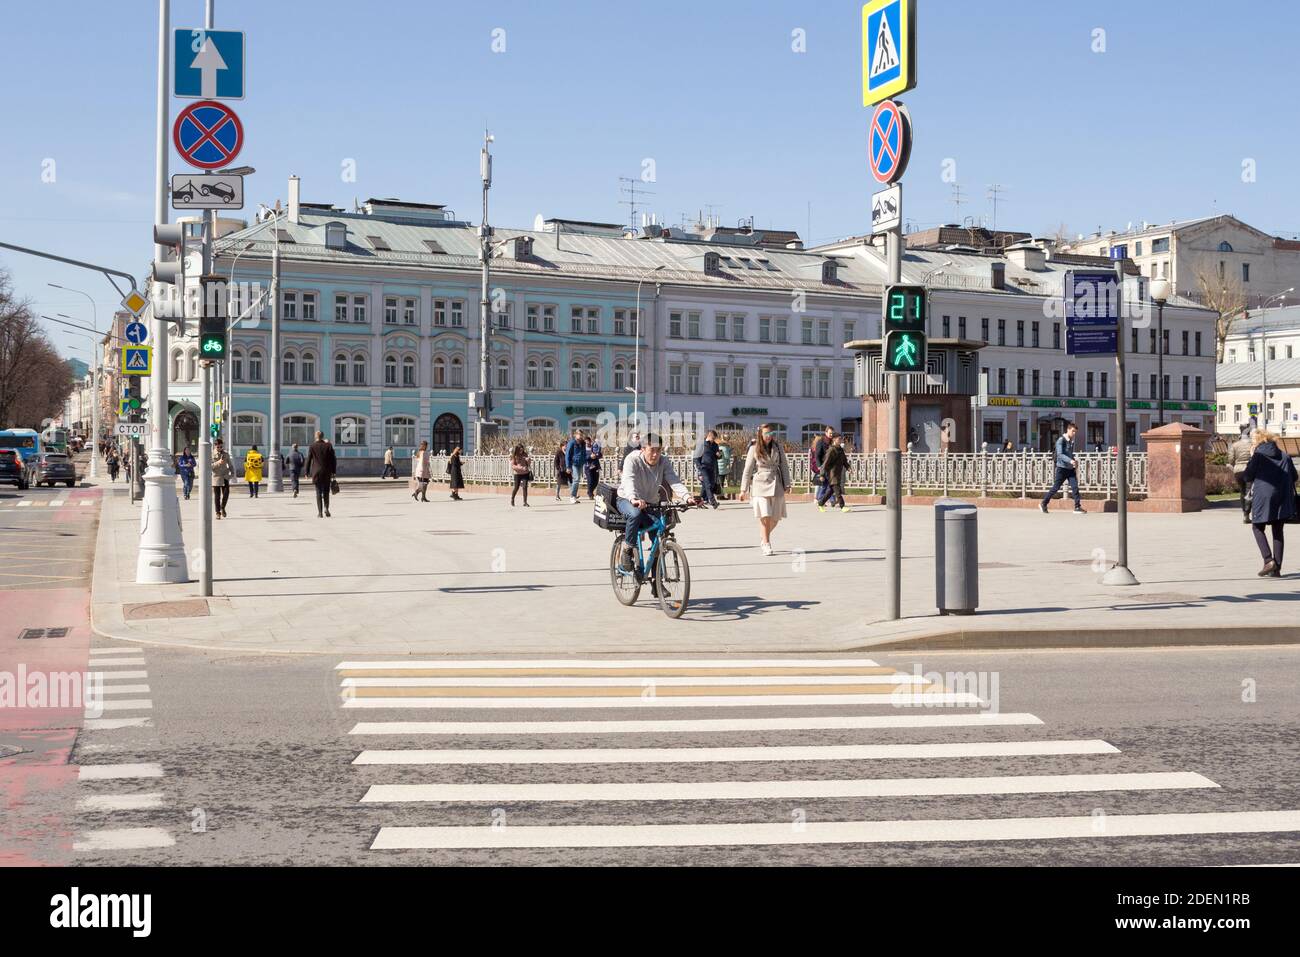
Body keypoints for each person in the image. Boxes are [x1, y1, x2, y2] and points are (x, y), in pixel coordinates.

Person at [615, 432, 692, 572]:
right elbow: (628, 481)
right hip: (626, 499)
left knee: (659, 537)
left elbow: (673, 479)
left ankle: (657, 583)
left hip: (650, 502)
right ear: (642, 449)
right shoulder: (632, 459)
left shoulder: (663, 461)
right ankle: (627, 550)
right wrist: (634, 498)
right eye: (652, 450)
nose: (655, 455)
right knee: (635, 514)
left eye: (658, 450)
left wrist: (687, 497)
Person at [1243, 430, 1298, 577]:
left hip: (1263, 497)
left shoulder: (1259, 456)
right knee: (1278, 530)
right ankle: (1277, 569)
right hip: (1283, 497)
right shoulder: (1285, 456)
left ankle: (1268, 560)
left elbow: (1247, 476)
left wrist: (1252, 457)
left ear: (1259, 442)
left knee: (1257, 527)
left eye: (1254, 441)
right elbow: (1294, 476)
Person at [740, 423, 792, 556]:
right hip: (760, 484)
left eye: (771, 434)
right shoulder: (754, 448)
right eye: (766, 434)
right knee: (765, 515)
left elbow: (784, 466)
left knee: (776, 517)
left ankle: (763, 537)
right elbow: (748, 470)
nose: (769, 436)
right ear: (761, 435)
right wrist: (743, 489)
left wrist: (787, 483)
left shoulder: (778, 447)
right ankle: (767, 544)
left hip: (776, 483)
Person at [1040, 422, 1085, 513]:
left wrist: (1074, 460)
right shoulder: (1061, 440)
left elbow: (1069, 454)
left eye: (1075, 432)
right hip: (1062, 468)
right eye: (1073, 431)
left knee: (1075, 487)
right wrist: (1070, 461)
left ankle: (1077, 507)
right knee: (1055, 488)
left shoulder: (1070, 441)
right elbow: (1060, 455)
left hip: (1070, 469)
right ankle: (1044, 503)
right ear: (1068, 430)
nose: (1074, 433)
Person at [306, 430, 336, 518]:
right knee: (326, 491)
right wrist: (334, 472)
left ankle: (320, 513)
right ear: (323, 436)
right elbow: (333, 460)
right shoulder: (328, 445)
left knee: (318, 492)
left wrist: (306, 472)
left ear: (316, 436)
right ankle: (326, 508)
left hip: (316, 472)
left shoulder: (312, 446)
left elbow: (309, 460)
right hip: (327, 472)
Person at [818, 433, 849, 512]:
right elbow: (825, 463)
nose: (840, 440)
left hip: (838, 473)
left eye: (841, 439)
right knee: (838, 491)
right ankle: (843, 506)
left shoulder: (840, 449)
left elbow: (844, 460)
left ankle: (821, 503)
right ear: (834, 440)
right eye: (839, 439)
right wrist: (821, 474)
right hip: (832, 473)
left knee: (830, 491)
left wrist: (848, 467)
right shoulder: (831, 450)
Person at [1229, 428, 1254, 524]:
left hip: (1238, 471)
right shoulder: (1252, 444)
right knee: (1249, 492)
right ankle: (1247, 514)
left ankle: (1244, 512)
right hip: (1249, 470)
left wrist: (1235, 465)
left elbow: (1231, 459)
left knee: (1242, 492)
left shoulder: (1235, 445)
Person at [693, 429, 721, 508]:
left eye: (714, 439)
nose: (713, 440)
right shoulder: (701, 444)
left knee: (709, 485)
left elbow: (717, 456)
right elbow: (696, 458)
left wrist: (719, 455)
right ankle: (713, 502)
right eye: (713, 438)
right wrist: (700, 469)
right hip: (704, 467)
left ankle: (699, 501)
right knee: (708, 484)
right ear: (709, 436)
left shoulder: (715, 445)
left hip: (712, 467)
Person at [564, 429, 588, 504]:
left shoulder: (583, 443)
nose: (580, 436)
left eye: (581, 434)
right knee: (576, 479)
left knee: (577, 480)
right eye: (579, 434)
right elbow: (567, 455)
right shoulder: (572, 443)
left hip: (580, 463)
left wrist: (585, 461)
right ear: (575, 435)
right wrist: (568, 466)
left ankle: (574, 496)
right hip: (574, 463)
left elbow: (584, 453)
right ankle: (572, 496)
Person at [211, 438, 233, 519]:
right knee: (217, 496)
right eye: (218, 447)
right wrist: (218, 462)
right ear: (215, 446)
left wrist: (232, 473)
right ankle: (217, 512)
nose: (220, 448)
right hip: (216, 477)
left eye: (221, 447)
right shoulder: (211, 454)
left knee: (226, 494)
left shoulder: (225, 454)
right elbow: (209, 466)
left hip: (225, 476)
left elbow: (230, 465)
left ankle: (222, 507)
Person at [584, 436, 603, 500]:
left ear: (590, 441)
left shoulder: (594, 447)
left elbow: (600, 455)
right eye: (586, 442)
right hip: (588, 467)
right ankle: (590, 494)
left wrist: (596, 455)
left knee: (596, 481)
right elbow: (583, 458)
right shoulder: (583, 449)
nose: (587, 443)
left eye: (588, 442)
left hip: (595, 467)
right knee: (590, 481)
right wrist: (590, 457)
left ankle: (590, 491)